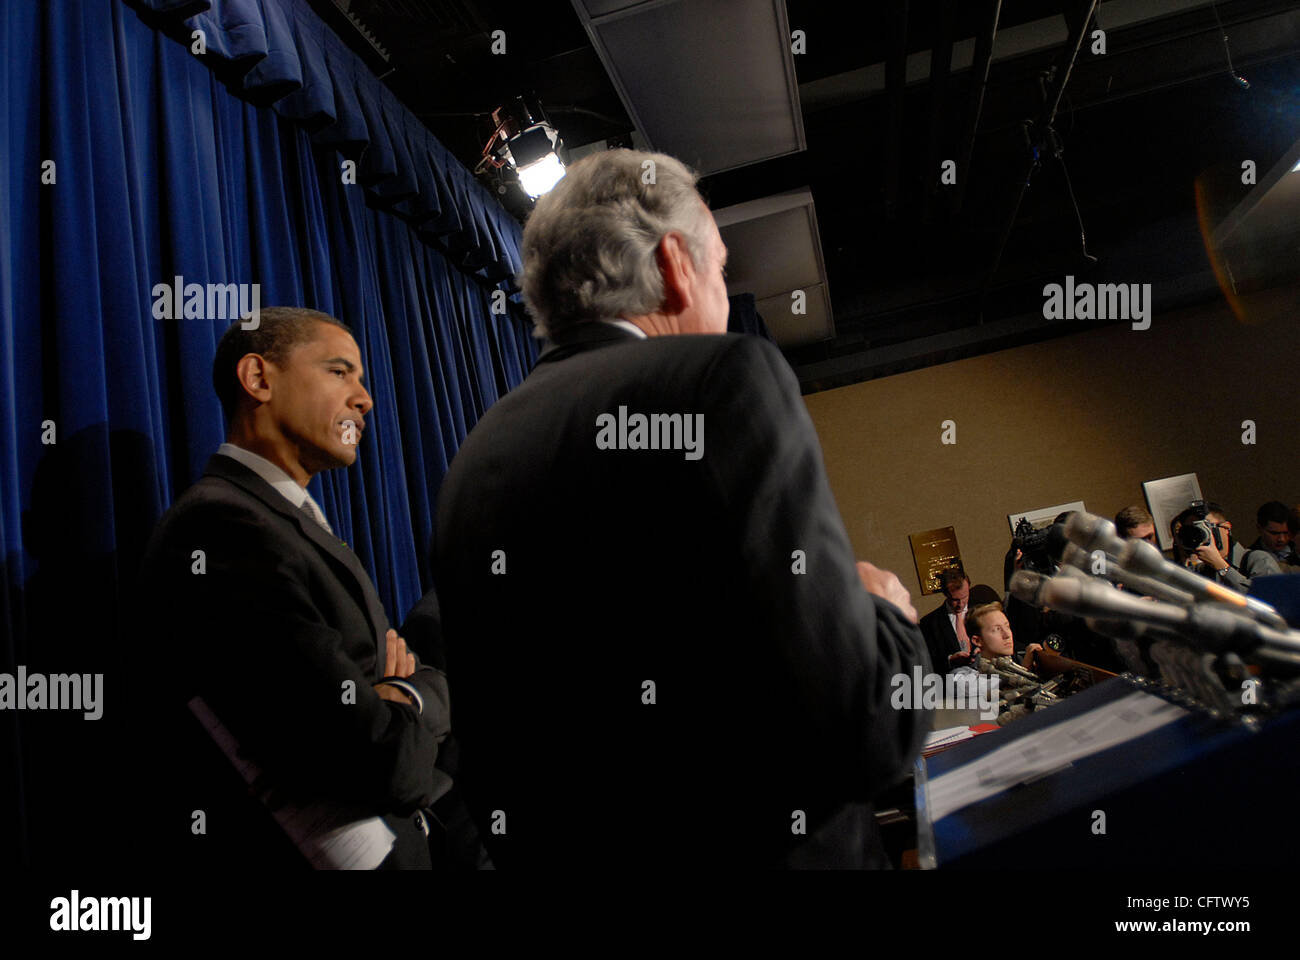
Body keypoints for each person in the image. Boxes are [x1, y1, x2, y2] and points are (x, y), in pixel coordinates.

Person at [432, 149, 928, 869]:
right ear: (676, 264)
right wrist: (882, 611)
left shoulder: (475, 457)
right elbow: (865, 727)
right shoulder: (722, 379)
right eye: (720, 269)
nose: (724, 297)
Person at [138, 308, 454, 870]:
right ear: (258, 379)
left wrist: (396, 698)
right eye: (340, 372)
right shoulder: (221, 527)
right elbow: (381, 762)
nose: (365, 399)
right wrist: (414, 695)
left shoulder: (282, 522)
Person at [1173, 501, 1280, 593]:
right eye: (1195, 531)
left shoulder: (1258, 560)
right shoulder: (1200, 571)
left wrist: (1222, 567)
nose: (1202, 535)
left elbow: (1268, 601)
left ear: (1226, 528)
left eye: (1206, 528)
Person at [920, 568, 972, 673]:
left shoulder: (981, 610)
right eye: (955, 600)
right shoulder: (930, 622)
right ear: (945, 594)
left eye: (965, 597)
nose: (961, 604)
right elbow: (928, 661)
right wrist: (950, 660)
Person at [1248, 501, 1299, 572]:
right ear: (1259, 528)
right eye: (1274, 533)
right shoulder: (1249, 558)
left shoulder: (1297, 550)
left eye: (1286, 533)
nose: (1281, 539)